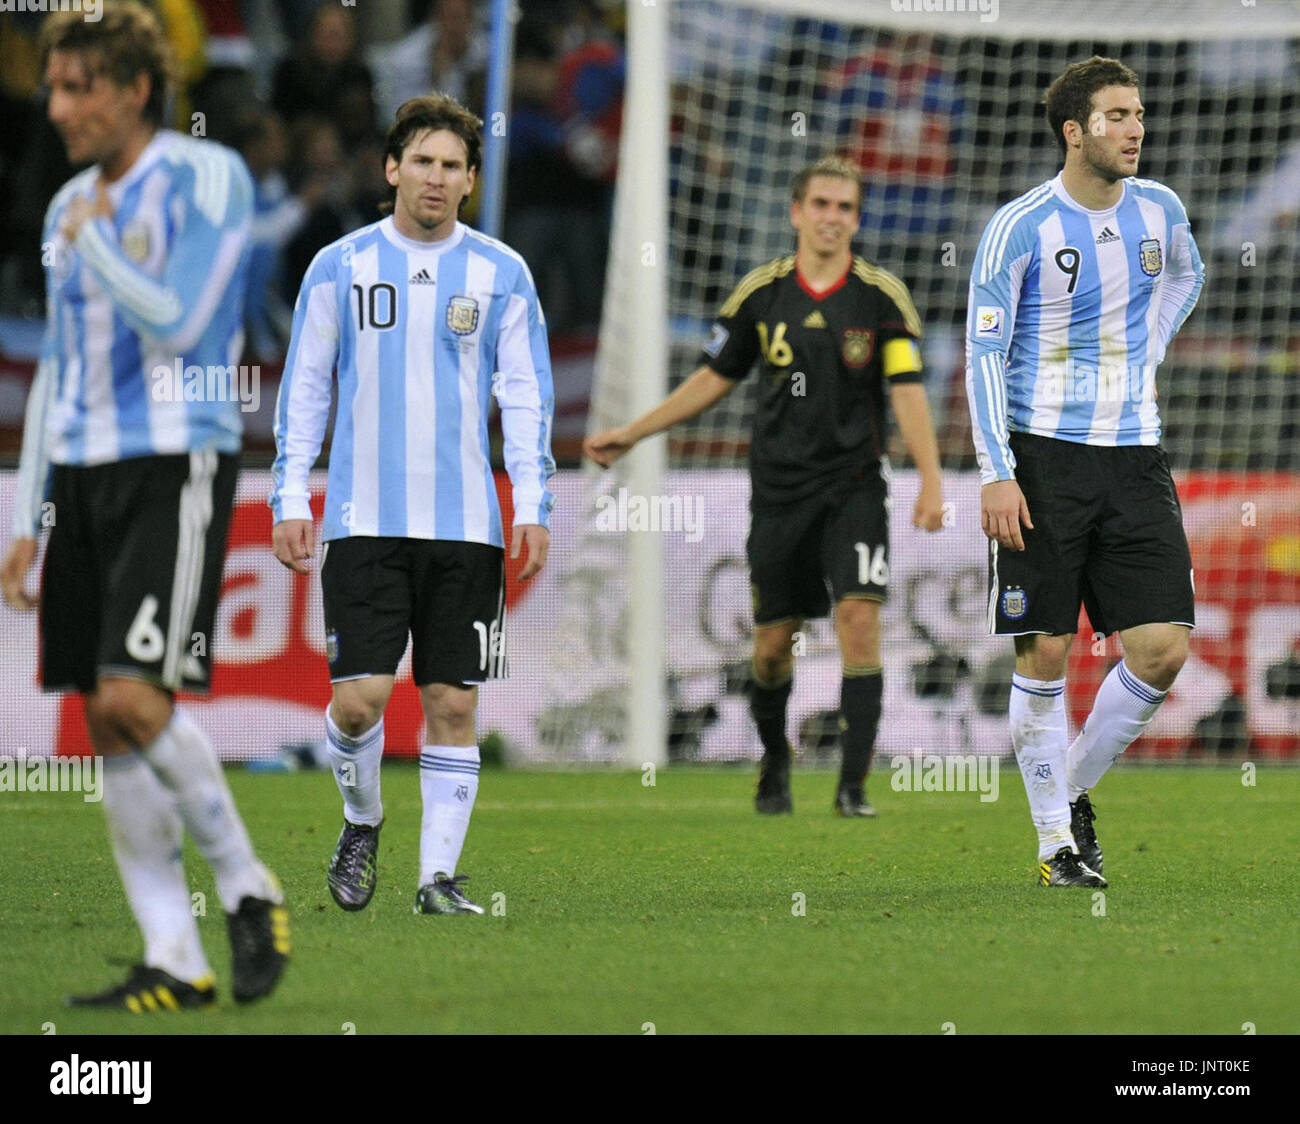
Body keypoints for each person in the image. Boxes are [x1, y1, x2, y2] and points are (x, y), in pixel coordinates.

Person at [0, 1, 288, 1010]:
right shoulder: (65, 204)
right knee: (103, 717)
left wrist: (102, 240)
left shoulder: (206, 175)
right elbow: (57, 371)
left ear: (136, 90)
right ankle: (174, 953)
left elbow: (183, 317)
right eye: (52, 87)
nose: (59, 106)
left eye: (78, 87)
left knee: (132, 694)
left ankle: (249, 885)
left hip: (174, 456)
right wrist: (32, 513)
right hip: (80, 473)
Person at [585, 156, 945, 816]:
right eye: (821, 204)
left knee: (859, 620)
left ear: (857, 219)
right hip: (779, 495)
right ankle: (776, 760)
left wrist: (929, 480)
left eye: (845, 208)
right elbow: (713, 379)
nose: (832, 217)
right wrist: (634, 433)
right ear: (796, 212)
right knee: (774, 644)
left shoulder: (879, 298)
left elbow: (906, 388)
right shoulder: (761, 295)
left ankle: (852, 787)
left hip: (855, 488)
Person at [269, 93, 555, 916]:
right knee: (359, 700)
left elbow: (526, 396)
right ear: (392, 168)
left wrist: (531, 503)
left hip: (467, 525)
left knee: (453, 702)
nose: (435, 177)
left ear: (470, 181)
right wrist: (292, 493)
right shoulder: (339, 265)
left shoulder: (501, 273)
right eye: (421, 161)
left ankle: (437, 880)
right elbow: (307, 390)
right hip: (364, 519)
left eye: (451, 166)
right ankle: (363, 820)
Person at [965, 57, 1205, 887]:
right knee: (1046, 651)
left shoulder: (1161, 211)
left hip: (1135, 457)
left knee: (1164, 649)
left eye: (1139, 114)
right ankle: (1054, 846)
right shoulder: (1021, 225)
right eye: (1116, 116)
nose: (1135, 128)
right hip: (1042, 461)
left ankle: (1066, 792)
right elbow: (984, 352)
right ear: (1075, 131)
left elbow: (1188, 275)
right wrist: (997, 470)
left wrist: (1148, 352)